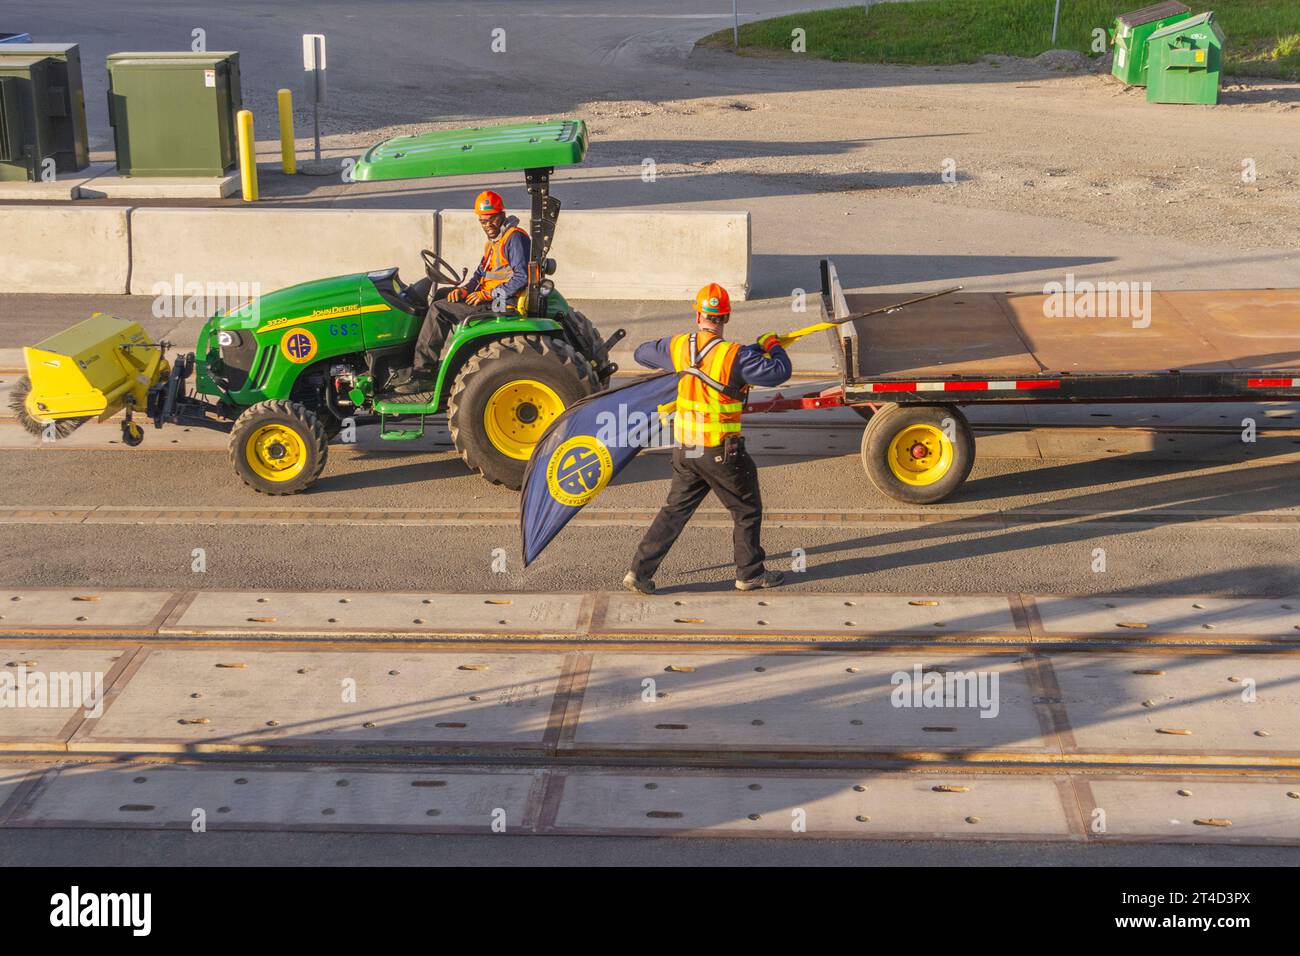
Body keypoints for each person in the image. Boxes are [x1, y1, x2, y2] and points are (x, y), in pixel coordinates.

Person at [623, 283, 792, 594]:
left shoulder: (678, 346)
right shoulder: (736, 356)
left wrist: (676, 361)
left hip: (686, 449)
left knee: (674, 510)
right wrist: (772, 345)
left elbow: (641, 353)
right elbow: (780, 372)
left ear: (699, 314)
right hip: (720, 451)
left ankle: (639, 572)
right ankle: (750, 574)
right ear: (726, 317)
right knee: (746, 510)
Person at [391, 190, 531, 393]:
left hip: (502, 302)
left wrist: (486, 295)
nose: (488, 225)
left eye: (492, 219)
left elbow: (522, 277)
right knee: (441, 296)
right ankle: (413, 362)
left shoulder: (514, 238)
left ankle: (423, 374)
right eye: (483, 221)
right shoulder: (493, 242)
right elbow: (480, 275)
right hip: (491, 297)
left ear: (501, 215)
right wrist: (464, 290)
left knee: (439, 310)